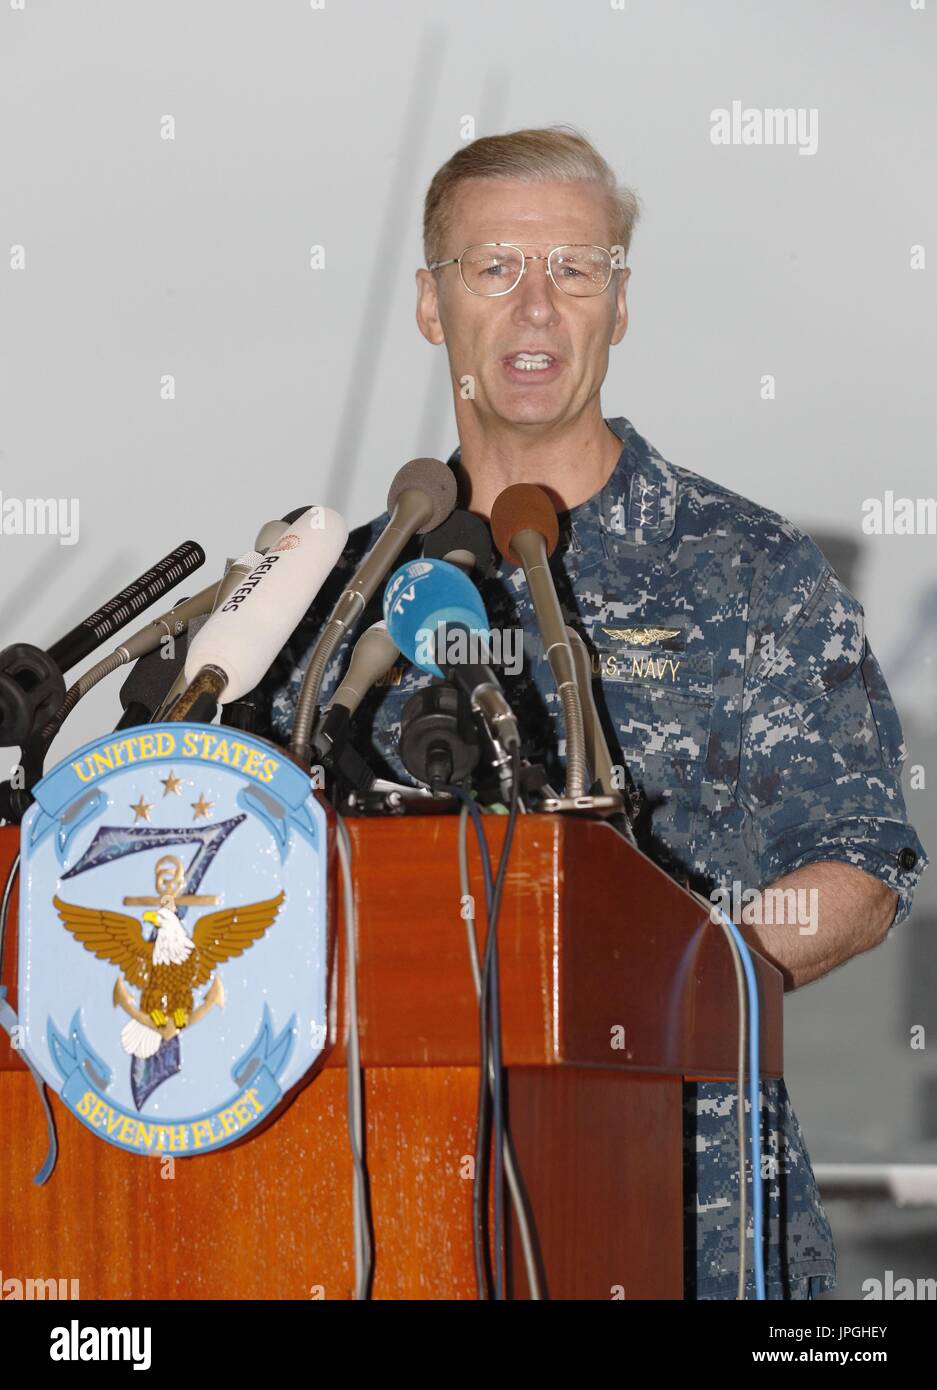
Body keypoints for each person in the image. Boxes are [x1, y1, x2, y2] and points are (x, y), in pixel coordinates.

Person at [255, 126, 928, 1299]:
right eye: (492, 268)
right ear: (430, 303)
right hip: (387, 1216)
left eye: (573, 270)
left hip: (688, 1214)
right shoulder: (331, 602)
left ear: (619, 305)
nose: (534, 309)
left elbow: (860, 866)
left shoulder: (749, 570)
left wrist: (665, 979)